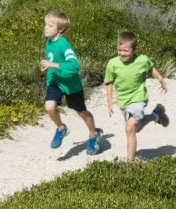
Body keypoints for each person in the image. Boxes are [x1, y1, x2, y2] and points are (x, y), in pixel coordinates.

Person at [40, 11, 103, 154]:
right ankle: (61, 129)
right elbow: (51, 58)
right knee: (49, 107)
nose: (45, 28)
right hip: (55, 82)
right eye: (45, 25)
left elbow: (75, 66)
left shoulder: (64, 44)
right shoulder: (49, 41)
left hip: (71, 85)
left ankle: (94, 134)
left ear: (60, 29)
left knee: (81, 112)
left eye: (50, 26)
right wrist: (45, 66)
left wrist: (53, 65)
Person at [104, 30, 169, 163]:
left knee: (129, 127)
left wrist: (160, 78)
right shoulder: (113, 63)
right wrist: (109, 99)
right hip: (123, 101)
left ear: (134, 50)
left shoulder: (142, 60)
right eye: (120, 50)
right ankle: (156, 115)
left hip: (139, 98)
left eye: (126, 51)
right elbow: (109, 81)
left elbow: (151, 69)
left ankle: (130, 163)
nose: (122, 53)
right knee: (135, 129)